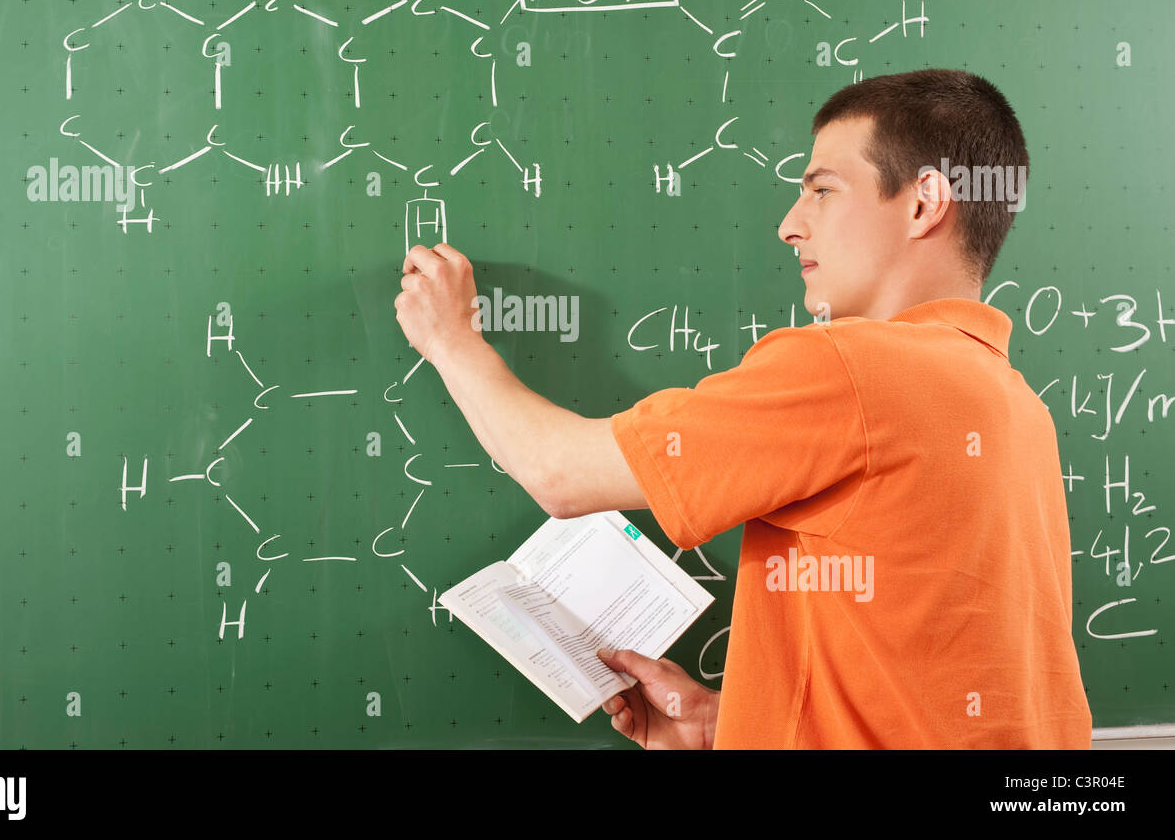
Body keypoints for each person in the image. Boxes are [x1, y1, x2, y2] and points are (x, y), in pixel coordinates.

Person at [394, 68, 1092, 749]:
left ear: (924, 202)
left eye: (822, 190)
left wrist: (452, 340)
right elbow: (933, 672)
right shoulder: (1013, 405)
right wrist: (737, 724)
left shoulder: (852, 368)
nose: (791, 225)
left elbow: (559, 473)